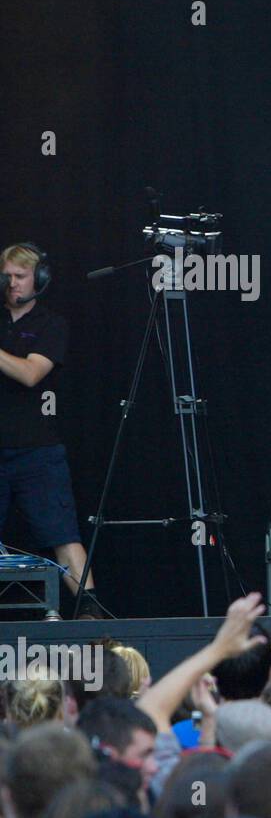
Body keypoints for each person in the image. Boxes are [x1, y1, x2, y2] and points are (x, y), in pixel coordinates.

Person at [0, 243, 103, 615]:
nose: (12, 284)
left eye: (20, 276)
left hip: (37, 450)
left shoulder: (50, 324)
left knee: (62, 534)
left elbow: (31, 373)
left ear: (38, 280)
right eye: (6, 276)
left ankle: (89, 610)